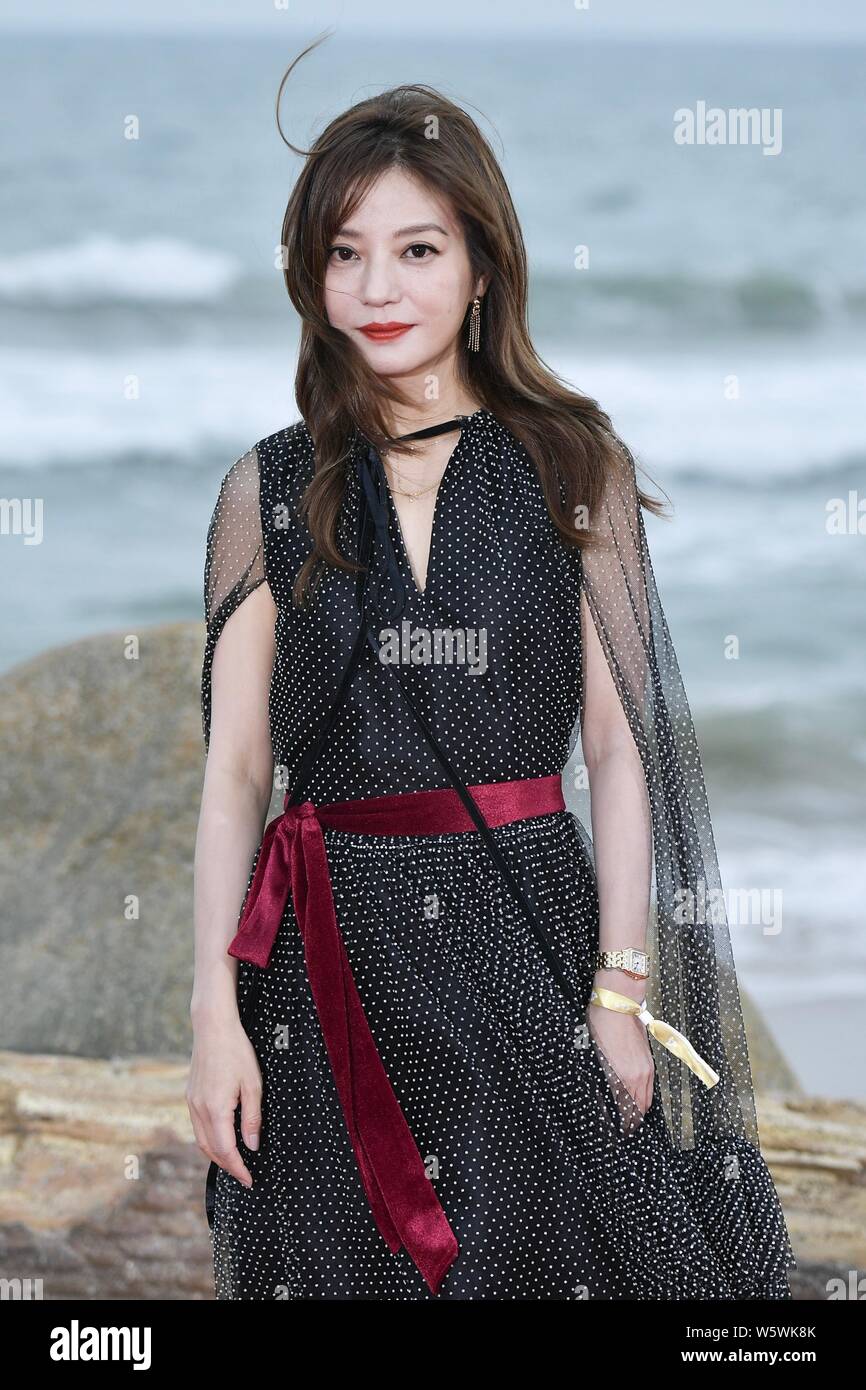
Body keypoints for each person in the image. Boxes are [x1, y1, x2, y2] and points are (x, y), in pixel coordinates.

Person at [186, 55, 797, 1301]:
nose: (377, 286)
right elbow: (236, 772)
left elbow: (622, 751)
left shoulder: (573, 464)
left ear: (479, 266)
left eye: (416, 250)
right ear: (309, 275)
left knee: (566, 1258)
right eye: (345, 253)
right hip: (322, 954)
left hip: (527, 933)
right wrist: (212, 1010)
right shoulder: (266, 486)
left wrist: (620, 988)